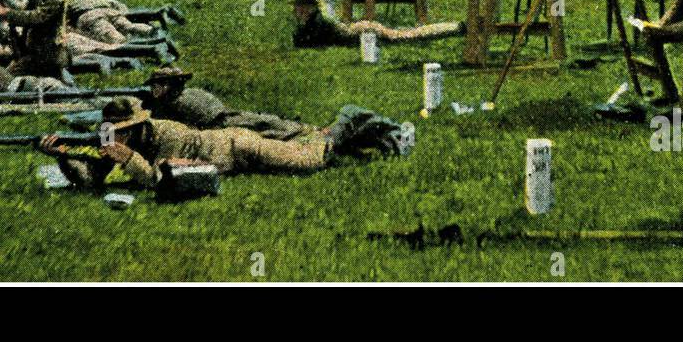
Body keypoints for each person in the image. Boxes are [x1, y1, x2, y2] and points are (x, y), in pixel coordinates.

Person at [38, 96, 408, 191]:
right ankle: (369, 135)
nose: (114, 140)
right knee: (323, 155)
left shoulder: (163, 135)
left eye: (121, 132)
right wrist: (63, 158)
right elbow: (91, 179)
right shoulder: (129, 142)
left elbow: (157, 180)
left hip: (237, 147)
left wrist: (129, 157)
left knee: (312, 160)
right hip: (233, 153)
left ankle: (347, 119)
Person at [144, 67, 319, 141]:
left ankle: (306, 131)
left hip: (223, 122)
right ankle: (305, 132)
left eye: (157, 86)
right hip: (220, 125)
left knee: (265, 125)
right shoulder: (171, 102)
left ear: (167, 85)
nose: (154, 90)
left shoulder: (175, 101)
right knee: (264, 126)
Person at [291, 0, 463, 48]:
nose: (297, 12)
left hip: (362, 31)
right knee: (406, 34)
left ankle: (455, 27)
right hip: (361, 29)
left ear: (308, 8)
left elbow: (304, 41)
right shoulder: (315, 21)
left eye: (300, 8)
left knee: (405, 36)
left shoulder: (318, 23)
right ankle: (454, 27)